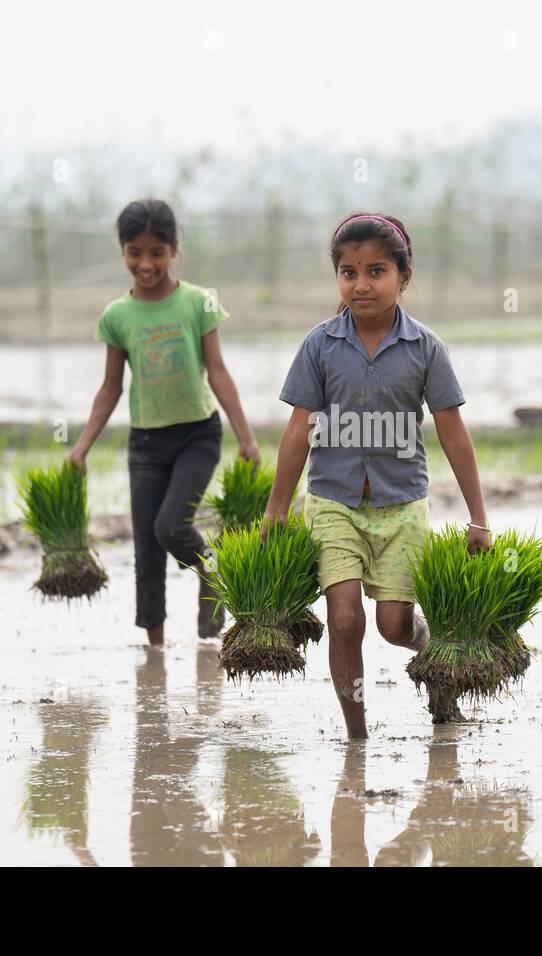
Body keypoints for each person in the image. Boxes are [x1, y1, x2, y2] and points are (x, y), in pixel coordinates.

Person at [262, 212, 490, 739]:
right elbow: (298, 431)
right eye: (348, 272)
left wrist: (479, 515)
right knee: (344, 619)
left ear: (403, 277)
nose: (360, 284)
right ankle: (357, 736)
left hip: (401, 503)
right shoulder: (319, 345)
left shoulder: (426, 348)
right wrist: (276, 507)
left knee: (393, 626)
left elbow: (454, 432)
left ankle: (432, 651)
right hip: (333, 502)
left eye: (376, 271)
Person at [68, 199, 259, 645]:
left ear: (175, 250)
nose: (146, 263)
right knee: (147, 549)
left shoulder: (197, 304)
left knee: (170, 526)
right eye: (135, 252)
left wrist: (245, 437)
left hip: (198, 435)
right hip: (147, 443)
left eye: (157, 252)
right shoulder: (117, 315)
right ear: (123, 252)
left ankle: (211, 568)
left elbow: (218, 371)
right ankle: (154, 650)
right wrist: (81, 446)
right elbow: (110, 388)